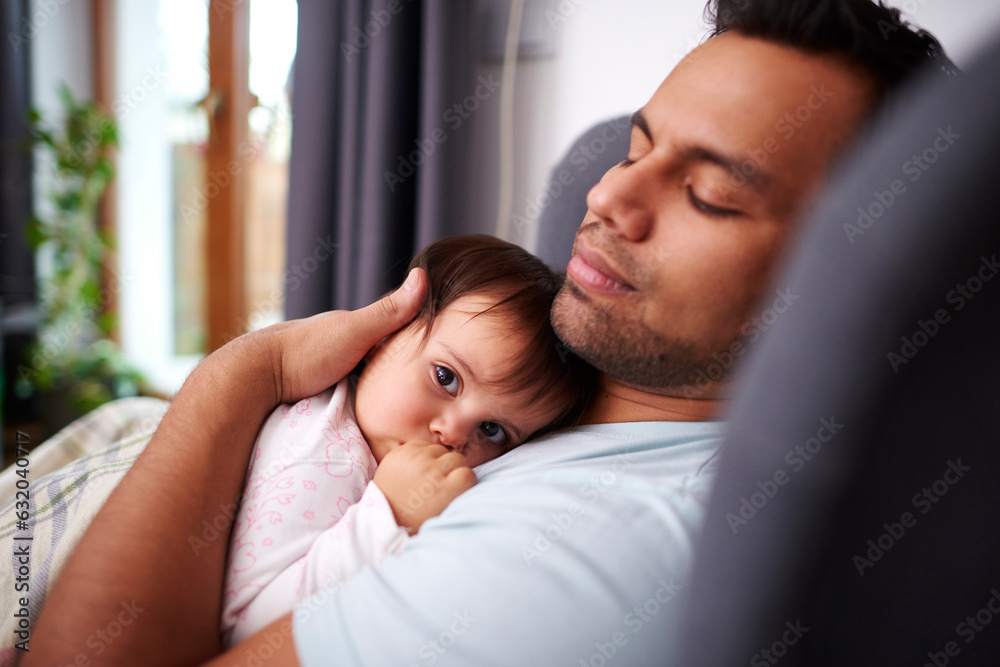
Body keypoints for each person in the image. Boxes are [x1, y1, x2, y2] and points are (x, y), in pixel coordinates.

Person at [24, 1, 955, 665]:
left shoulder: (587, 556)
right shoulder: (571, 373)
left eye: (708, 194)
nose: (608, 196)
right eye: (636, 148)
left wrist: (249, 368)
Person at [220, 234, 593, 646]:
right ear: (385, 334)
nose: (453, 435)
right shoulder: (324, 454)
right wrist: (388, 514)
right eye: (446, 377)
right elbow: (245, 631)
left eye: (492, 430)